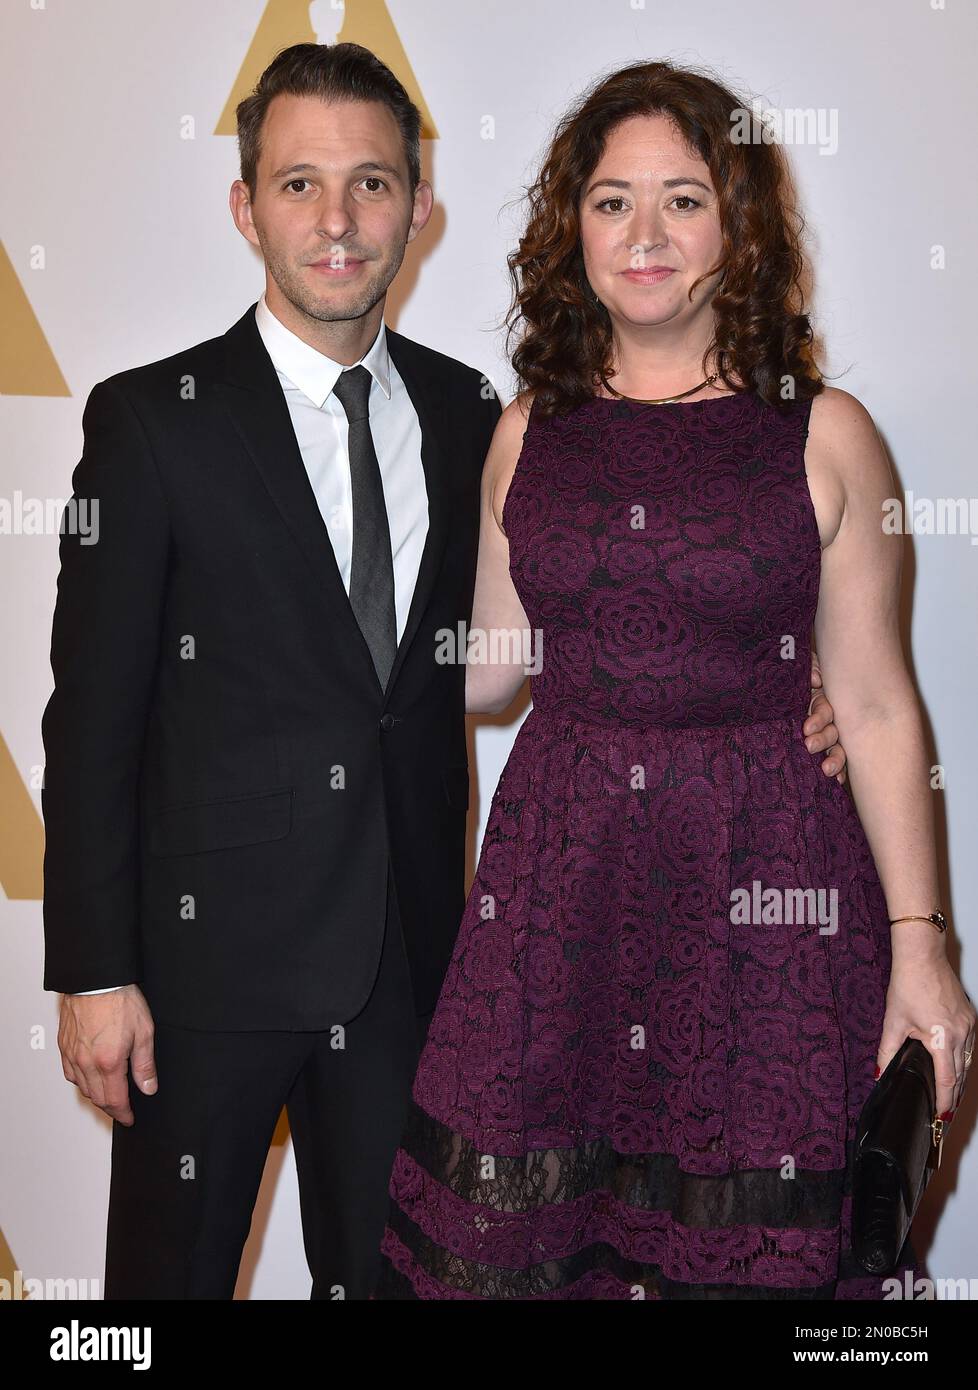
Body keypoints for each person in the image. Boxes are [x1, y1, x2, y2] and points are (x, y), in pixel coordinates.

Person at [40, 43, 846, 1302]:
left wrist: (788, 673)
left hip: (421, 962)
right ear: (245, 206)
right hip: (203, 975)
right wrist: (93, 969)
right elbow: (89, 716)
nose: (338, 221)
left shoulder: (487, 414)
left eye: (371, 184)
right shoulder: (154, 418)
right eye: (298, 184)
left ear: (420, 210)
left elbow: (569, 620)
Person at [372, 59, 975, 1300]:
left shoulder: (826, 430)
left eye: (683, 199)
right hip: (564, 882)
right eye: (610, 200)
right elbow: (486, 676)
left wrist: (925, 950)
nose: (643, 234)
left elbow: (874, 701)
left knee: (764, 1251)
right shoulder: (527, 429)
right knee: (535, 1246)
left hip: (774, 888)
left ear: (737, 222)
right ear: (570, 226)